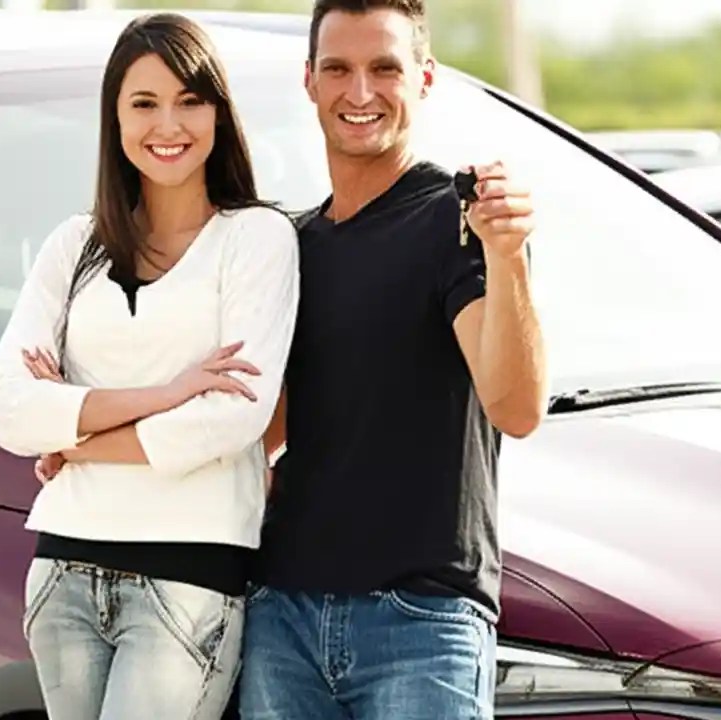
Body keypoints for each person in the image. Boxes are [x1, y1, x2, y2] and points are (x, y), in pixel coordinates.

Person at [0, 13, 298, 720]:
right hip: (61, 569)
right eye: (144, 104)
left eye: (190, 100)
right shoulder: (75, 244)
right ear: (114, 118)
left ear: (219, 111)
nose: (169, 124)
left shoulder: (257, 239)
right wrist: (167, 392)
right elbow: (3, 406)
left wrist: (74, 437)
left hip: (186, 577)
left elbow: (233, 417)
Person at [239, 1, 547, 718]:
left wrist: (509, 260)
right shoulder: (295, 243)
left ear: (425, 79)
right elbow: (258, 427)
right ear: (309, 81)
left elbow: (516, 408)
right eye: (338, 69)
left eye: (385, 68)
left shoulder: (460, 223)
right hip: (281, 618)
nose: (360, 92)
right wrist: (89, 444)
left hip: (422, 625)